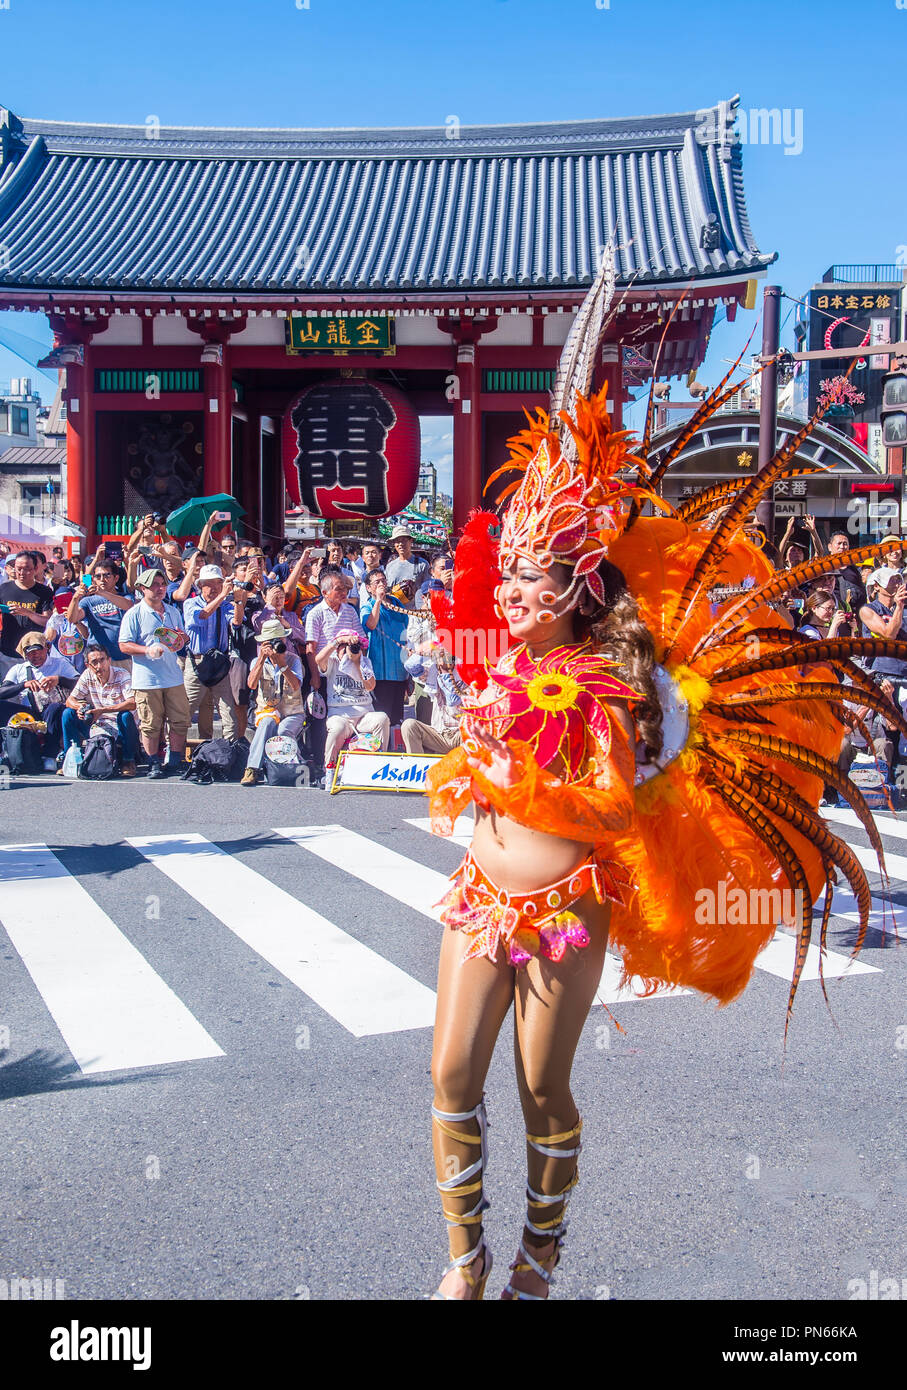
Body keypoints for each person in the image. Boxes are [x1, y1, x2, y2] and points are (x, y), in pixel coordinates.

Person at [421, 251, 889, 1301]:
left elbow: (605, 803)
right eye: (507, 575)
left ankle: (538, 1261)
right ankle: (464, 1259)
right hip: (478, 895)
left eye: (529, 579)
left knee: (544, 1089)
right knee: (450, 1072)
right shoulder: (507, 666)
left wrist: (502, 770)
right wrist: (468, 767)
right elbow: (466, 774)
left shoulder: (610, 684)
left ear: (578, 586)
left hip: (564, 902)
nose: (509, 591)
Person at [117, 568, 190, 779]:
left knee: (179, 720)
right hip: (147, 678)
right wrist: (146, 650)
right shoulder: (135, 613)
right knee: (150, 724)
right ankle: (153, 762)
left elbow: (180, 639)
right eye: (154, 585)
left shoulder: (172, 611)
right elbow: (124, 645)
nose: (160, 589)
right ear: (142, 589)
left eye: (162, 584)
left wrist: (182, 638)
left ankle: (175, 760)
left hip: (173, 675)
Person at [240, 619, 306, 787]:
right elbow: (251, 685)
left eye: (280, 640)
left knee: (283, 729)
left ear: (284, 640)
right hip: (267, 711)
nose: (278, 644)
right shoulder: (257, 661)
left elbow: (296, 685)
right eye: (272, 642)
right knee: (266, 723)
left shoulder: (294, 660)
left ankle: (293, 769)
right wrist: (262, 659)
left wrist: (282, 665)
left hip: (292, 712)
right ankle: (252, 768)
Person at [0, 631, 78, 768]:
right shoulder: (19, 669)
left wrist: (59, 680)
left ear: (46, 648)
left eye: (38, 651)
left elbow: (79, 682)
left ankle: (49, 755)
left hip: (52, 710)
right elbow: (2, 691)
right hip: (28, 713)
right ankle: (6, 751)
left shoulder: (59, 664)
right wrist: (23, 685)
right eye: (30, 653)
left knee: (56, 708)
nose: (35, 655)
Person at [315, 628, 389, 769]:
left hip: (364, 715)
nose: (349, 650)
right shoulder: (332, 662)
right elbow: (318, 659)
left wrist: (356, 663)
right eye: (345, 647)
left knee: (382, 718)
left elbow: (370, 686)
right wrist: (338, 641)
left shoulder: (364, 662)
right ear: (337, 649)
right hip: (340, 715)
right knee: (337, 728)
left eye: (353, 647)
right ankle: (329, 769)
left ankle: (379, 765)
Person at [62, 643, 139, 776]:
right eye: (94, 662)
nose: (99, 666)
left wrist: (102, 710)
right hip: (97, 725)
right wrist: (80, 707)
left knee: (125, 716)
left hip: (119, 727)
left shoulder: (122, 674)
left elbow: (132, 703)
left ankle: (128, 761)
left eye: (102, 660)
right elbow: (70, 700)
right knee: (68, 713)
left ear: (109, 660)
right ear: (88, 665)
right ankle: (72, 759)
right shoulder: (87, 675)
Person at [183, 565, 237, 741]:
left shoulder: (226, 605)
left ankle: (231, 751)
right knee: (185, 710)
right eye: (208, 584)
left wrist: (240, 600)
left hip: (219, 662)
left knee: (228, 711)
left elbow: (237, 622)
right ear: (200, 586)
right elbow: (202, 615)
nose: (214, 588)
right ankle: (175, 752)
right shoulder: (190, 603)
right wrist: (222, 596)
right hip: (196, 663)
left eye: (218, 583)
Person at [64, 554, 133, 670]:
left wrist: (101, 592)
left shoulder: (125, 596)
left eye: (106, 575)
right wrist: (75, 598)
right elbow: (73, 619)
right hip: (96, 659)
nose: (102, 579)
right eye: (98, 576)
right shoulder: (87, 601)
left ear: (116, 578)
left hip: (122, 658)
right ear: (93, 579)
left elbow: (128, 606)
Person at [360, 568, 410, 728]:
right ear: (368, 588)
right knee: (382, 718)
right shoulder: (368, 606)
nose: (382, 584)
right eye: (377, 582)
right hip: (380, 673)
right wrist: (378, 600)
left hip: (399, 671)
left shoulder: (396, 603)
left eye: (383, 580)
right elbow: (370, 624)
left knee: (397, 719)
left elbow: (407, 627)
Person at [0, 551, 54, 675]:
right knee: (9, 691)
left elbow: (48, 621)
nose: (22, 573)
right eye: (19, 569)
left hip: (35, 654)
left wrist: (27, 613)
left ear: (35, 569)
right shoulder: (4, 589)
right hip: (8, 652)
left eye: (27, 569)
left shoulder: (44, 592)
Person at [385, 524, 429, 592]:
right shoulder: (390, 566)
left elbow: (427, 590)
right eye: (397, 541)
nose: (400, 544)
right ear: (394, 543)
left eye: (404, 540)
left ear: (411, 541)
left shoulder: (422, 564)